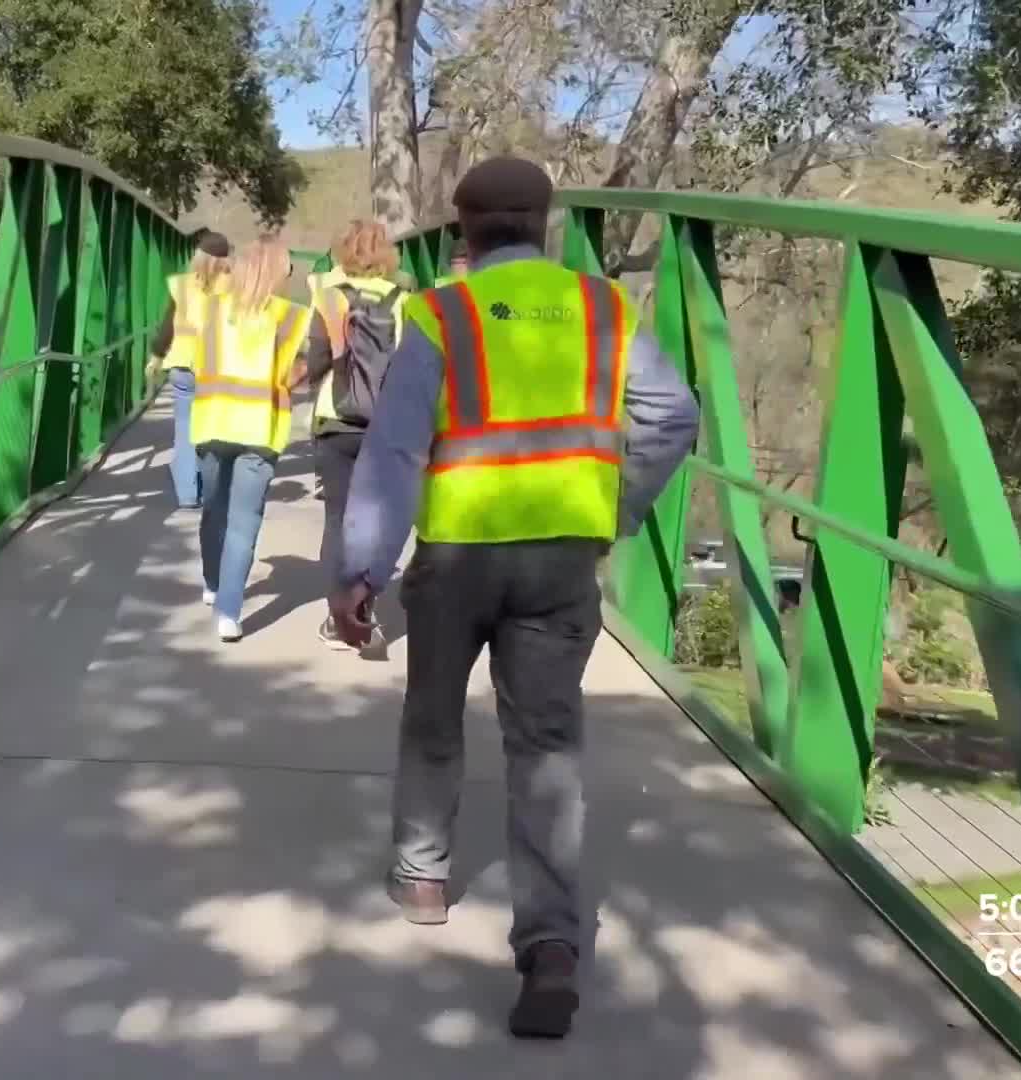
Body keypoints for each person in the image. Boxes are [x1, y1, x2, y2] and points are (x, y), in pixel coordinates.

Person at [328, 156, 702, 1039]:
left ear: (462, 228)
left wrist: (360, 571)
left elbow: (393, 451)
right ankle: (553, 946)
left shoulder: (443, 312)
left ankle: (422, 877)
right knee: (546, 746)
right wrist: (618, 503)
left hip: (459, 556)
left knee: (432, 715)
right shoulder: (606, 309)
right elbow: (672, 414)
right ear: (544, 223)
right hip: (561, 560)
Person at [189, 236, 315, 642]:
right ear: (279, 271)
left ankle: (212, 581)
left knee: (214, 509)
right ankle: (230, 612)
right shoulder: (291, 317)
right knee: (244, 522)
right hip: (261, 429)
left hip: (212, 422)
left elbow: (192, 363)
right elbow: (301, 370)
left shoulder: (209, 310)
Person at [290, 220, 407, 650]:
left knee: (338, 520)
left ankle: (336, 622)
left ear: (342, 252)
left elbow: (316, 363)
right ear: (386, 255)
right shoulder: (402, 301)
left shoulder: (329, 297)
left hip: (335, 422)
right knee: (374, 522)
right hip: (384, 426)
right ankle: (365, 610)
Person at [148, 229, 233, 510]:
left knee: (184, 431)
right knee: (213, 431)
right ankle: (212, 489)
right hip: (217, 370)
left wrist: (156, 357)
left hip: (182, 367)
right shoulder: (234, 288)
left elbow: (167, 328)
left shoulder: (182, 286)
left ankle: (187, 493)